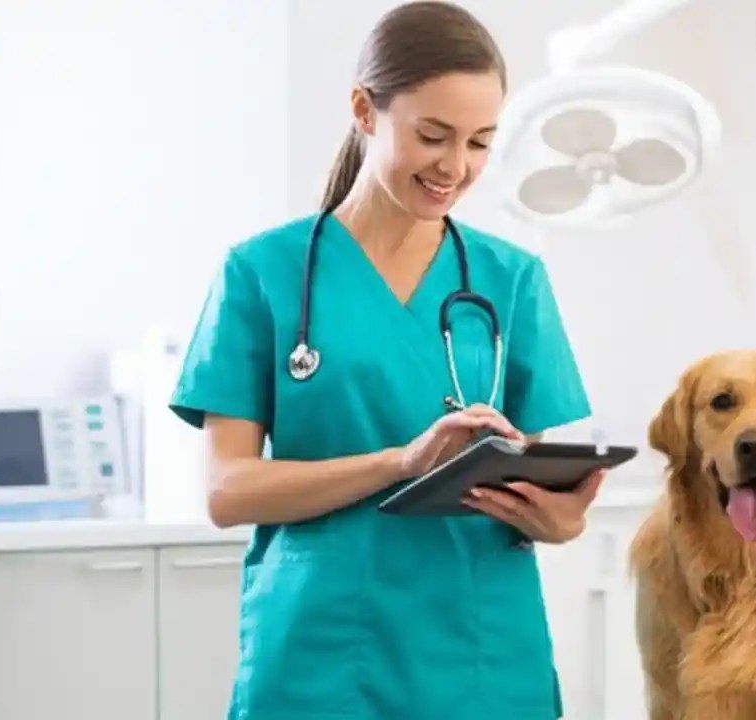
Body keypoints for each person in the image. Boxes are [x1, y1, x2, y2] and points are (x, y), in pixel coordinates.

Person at [169, 3, 603, 718]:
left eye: (480, 143)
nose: (455, 167)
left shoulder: (512, 280)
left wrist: (558, 520)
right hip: (323, 650)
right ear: (364, 111)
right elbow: (228, 491)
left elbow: (534, 491)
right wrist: (400, 463)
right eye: (433, 135)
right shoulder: (263, 272)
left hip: (479, 652)